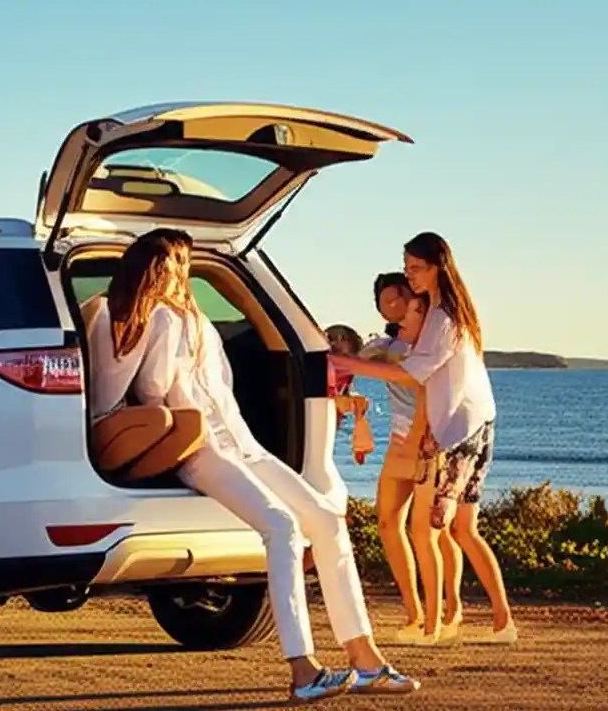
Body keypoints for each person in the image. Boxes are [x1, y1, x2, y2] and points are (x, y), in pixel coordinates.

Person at [86, 229, 419, 702]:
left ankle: (365, 659)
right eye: (183, 262)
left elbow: (212, 385)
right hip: (202, 452)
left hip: (244, 444)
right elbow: (154, 389)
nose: (187, 270)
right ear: (172, 267)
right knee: (282, 526)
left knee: (326, 518)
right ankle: (303, 670)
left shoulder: (194, 320)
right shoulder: (158, 320)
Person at [332, 231, 516, 644]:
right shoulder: (448, 312)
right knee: (463, 530)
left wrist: (341, 361)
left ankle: (434, 627)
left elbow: (412, 372)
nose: (410, 275)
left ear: (438, 268)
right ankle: (502, 623)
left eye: (416, 268)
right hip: (478, 425)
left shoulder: (442, 316)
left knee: (427, 530)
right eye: (407, 267)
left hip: (456, 434)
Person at [360, 288, 463, 644]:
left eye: (398, 300)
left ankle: (446, 612)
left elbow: (428, 393)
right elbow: (353, 359)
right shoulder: (388, 346)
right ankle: (414, 613)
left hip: (429, 443)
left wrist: (420, 441)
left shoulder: (431, 345)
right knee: (388, 522)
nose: (393, 308)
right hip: (398, 442)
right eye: (384, 303)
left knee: (433, 533)